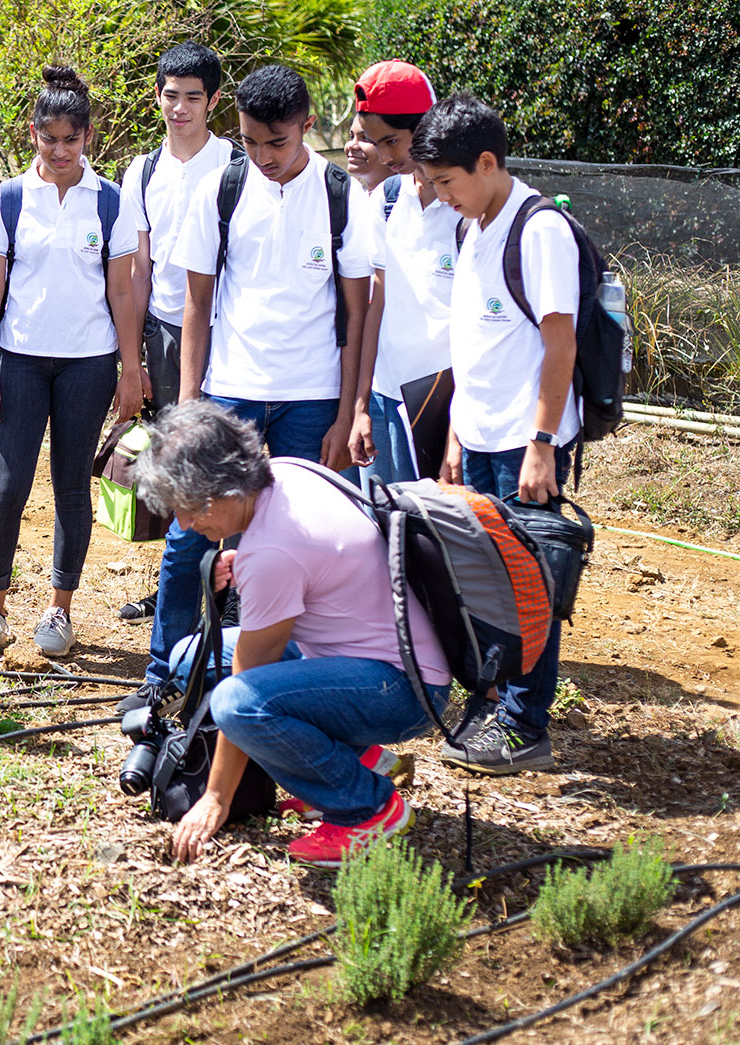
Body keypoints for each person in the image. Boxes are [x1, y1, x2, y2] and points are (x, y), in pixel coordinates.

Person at [120, 64, 376, 713]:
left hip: (311, 399)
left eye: (277, 143)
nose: (262, 157)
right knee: (189, 534)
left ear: (307, 128)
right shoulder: (221, 188)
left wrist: (349, 412)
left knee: (292, 538)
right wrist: (188, 410)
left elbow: (356, 317)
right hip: (228, 394)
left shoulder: (343, 197)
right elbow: (196, 307)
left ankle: (286, 672)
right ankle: (164, 669)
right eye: (251, 142)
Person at [129, 401, 451, 867]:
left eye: (185, 508)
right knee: (192, 655)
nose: (183, 524)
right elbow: (319, 563)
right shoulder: (285, 471)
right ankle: (355, 759)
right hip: (380, 651)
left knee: (236, 703)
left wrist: (216, 799)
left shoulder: (272, 551)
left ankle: (366, 806)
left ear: (218, 491)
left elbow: (244, 688)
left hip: (401, 688)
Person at [411, 92, 579, 774]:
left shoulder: (537, 230)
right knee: (483, 585)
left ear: (486, 163)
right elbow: (470, 348)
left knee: (529, 588)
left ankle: (524, 724)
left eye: (446, 183)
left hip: (522, 445)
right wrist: (454, 436)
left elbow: (559, 343)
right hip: (477, 439)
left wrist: (541, 442)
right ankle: (491, 701)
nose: (440, 196)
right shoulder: (470, 226)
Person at [0, 65, 145, 658]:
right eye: (49, 138)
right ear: (33, 134)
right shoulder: (9, 198)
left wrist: (130, 367)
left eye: (72, 139)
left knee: (71, 486)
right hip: (18, 361)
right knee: (7, 486)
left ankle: (58, 613)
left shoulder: (111, 202)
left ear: (89, 136)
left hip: (87, 365)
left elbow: (122, 291)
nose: (60, 150)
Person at [114, 40, 234, 627]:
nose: (180, 108)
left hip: (225, 335)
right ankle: (175, 593)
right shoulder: (141, 170)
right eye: (170, 95)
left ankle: (230, 596)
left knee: (227, 465)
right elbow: (138, 270)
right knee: (177, 467)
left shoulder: (236, 165)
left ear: (213, 100)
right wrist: (129, 361)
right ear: (156, 96)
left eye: (193, 97)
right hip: (162, 334)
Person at [347, 60, 455, 486]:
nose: (386, 156)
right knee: (385, 526)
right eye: (377, 142)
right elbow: (377, 303)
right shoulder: (388, 199)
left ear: (426, 126)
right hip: (386, 397)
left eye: (392, 140)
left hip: (443, 406)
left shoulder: (467, 208)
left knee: (439, 533)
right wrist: (360, 405)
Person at [345, 111, 396, 194]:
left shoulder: (408, 200)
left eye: (365, 138)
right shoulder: (350, 200)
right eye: (352, 136)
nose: (351, 146)